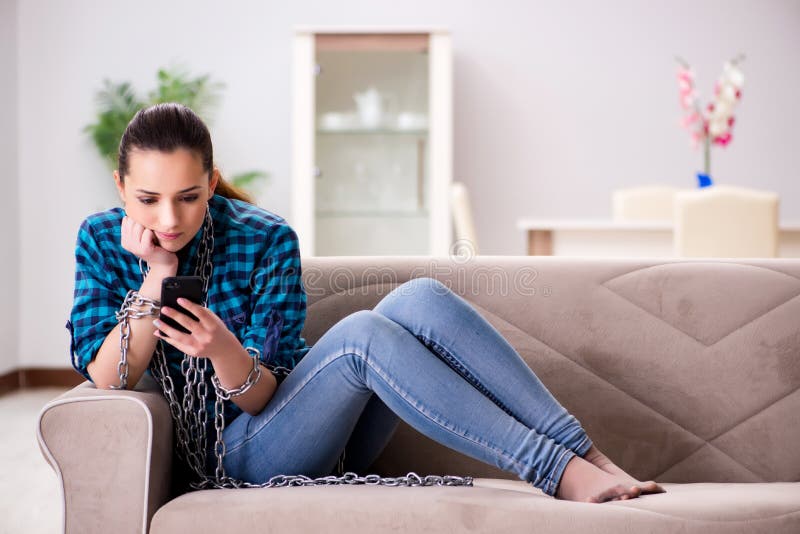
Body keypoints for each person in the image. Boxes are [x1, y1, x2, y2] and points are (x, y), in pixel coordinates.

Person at [68, 103, 666, 503]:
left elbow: (270, 391)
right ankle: (554, 471)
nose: (169, 219)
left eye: (189, 197)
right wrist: (158, 276)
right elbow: (106, 376)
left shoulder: (265, 237)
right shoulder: (100, 239)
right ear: (121, 187)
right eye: (147, 199)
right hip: (231, 461)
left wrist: (224, 350)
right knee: (360, 337)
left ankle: (588, 454)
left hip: (300, 428)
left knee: (420, 297)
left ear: (211, 181)